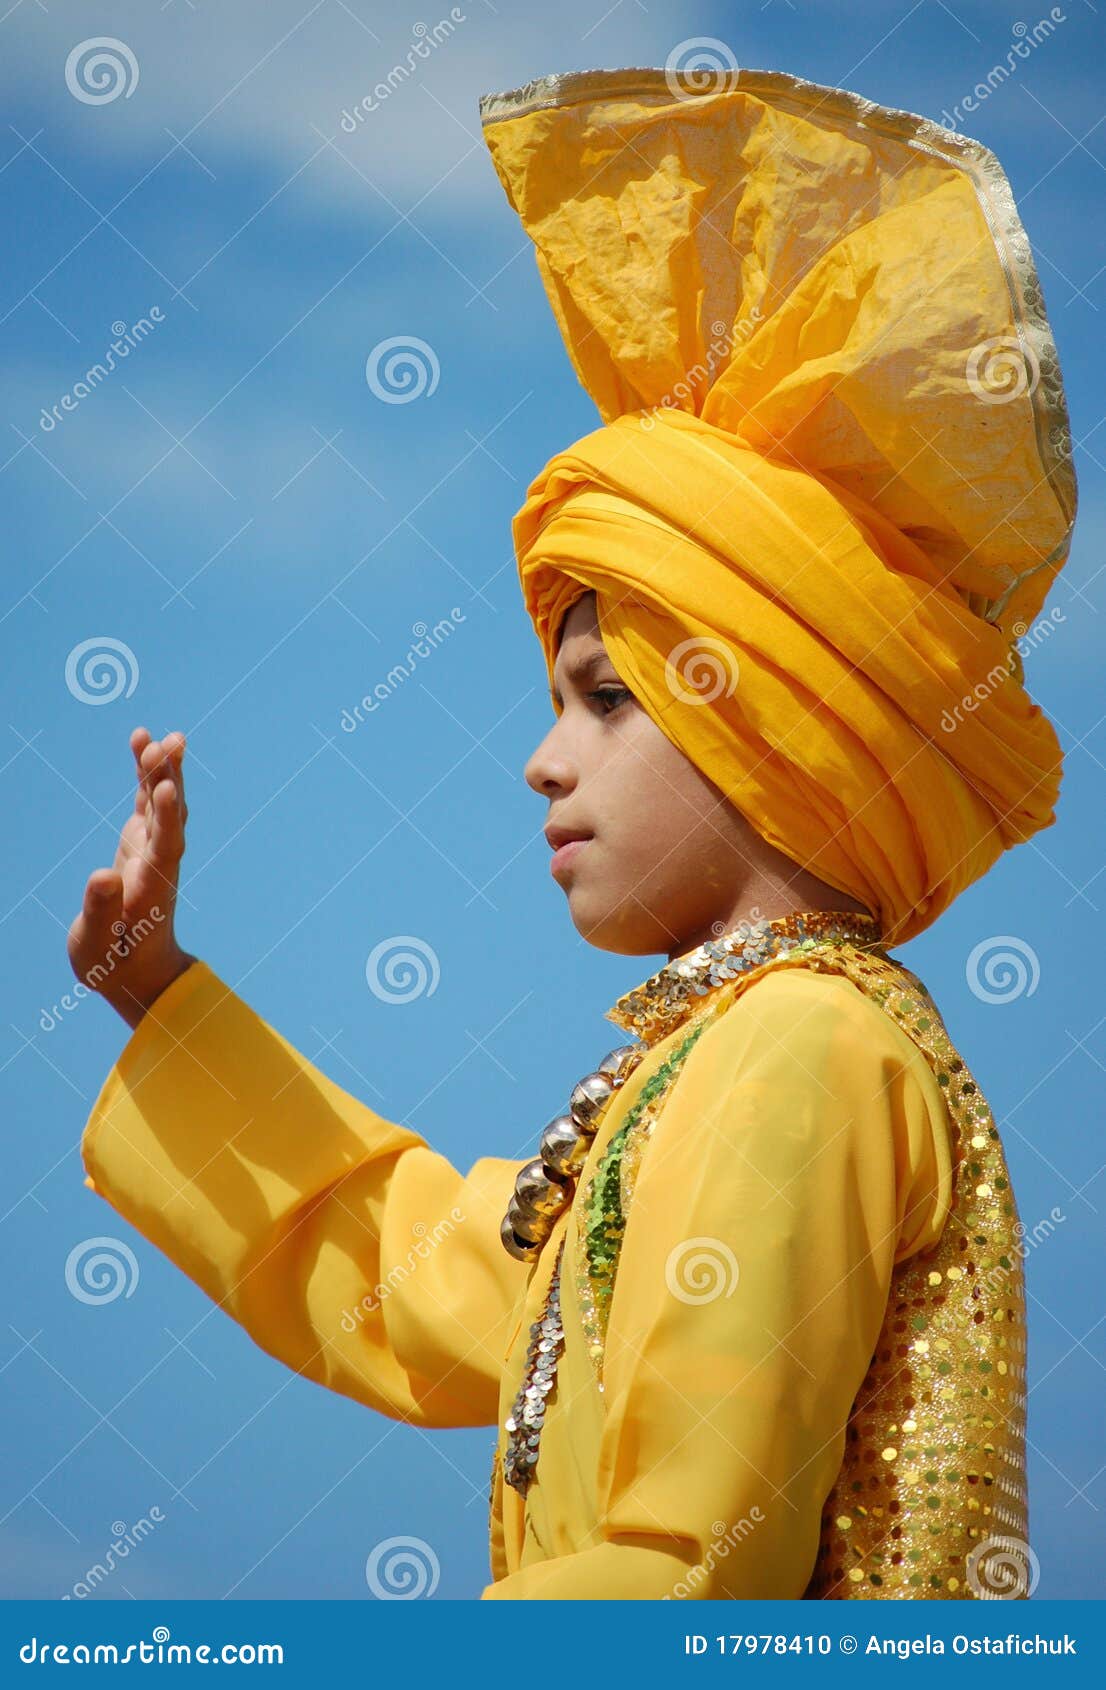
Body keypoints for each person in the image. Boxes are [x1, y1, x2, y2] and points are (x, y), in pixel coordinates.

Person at [68, 64, 1076, 1600]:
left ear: (770, 720)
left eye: (602, 697)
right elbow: (422, 1279)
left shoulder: (805, 1045)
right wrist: (157, 996)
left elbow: (685, 1571)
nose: (541, 764)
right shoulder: (705, 1068)